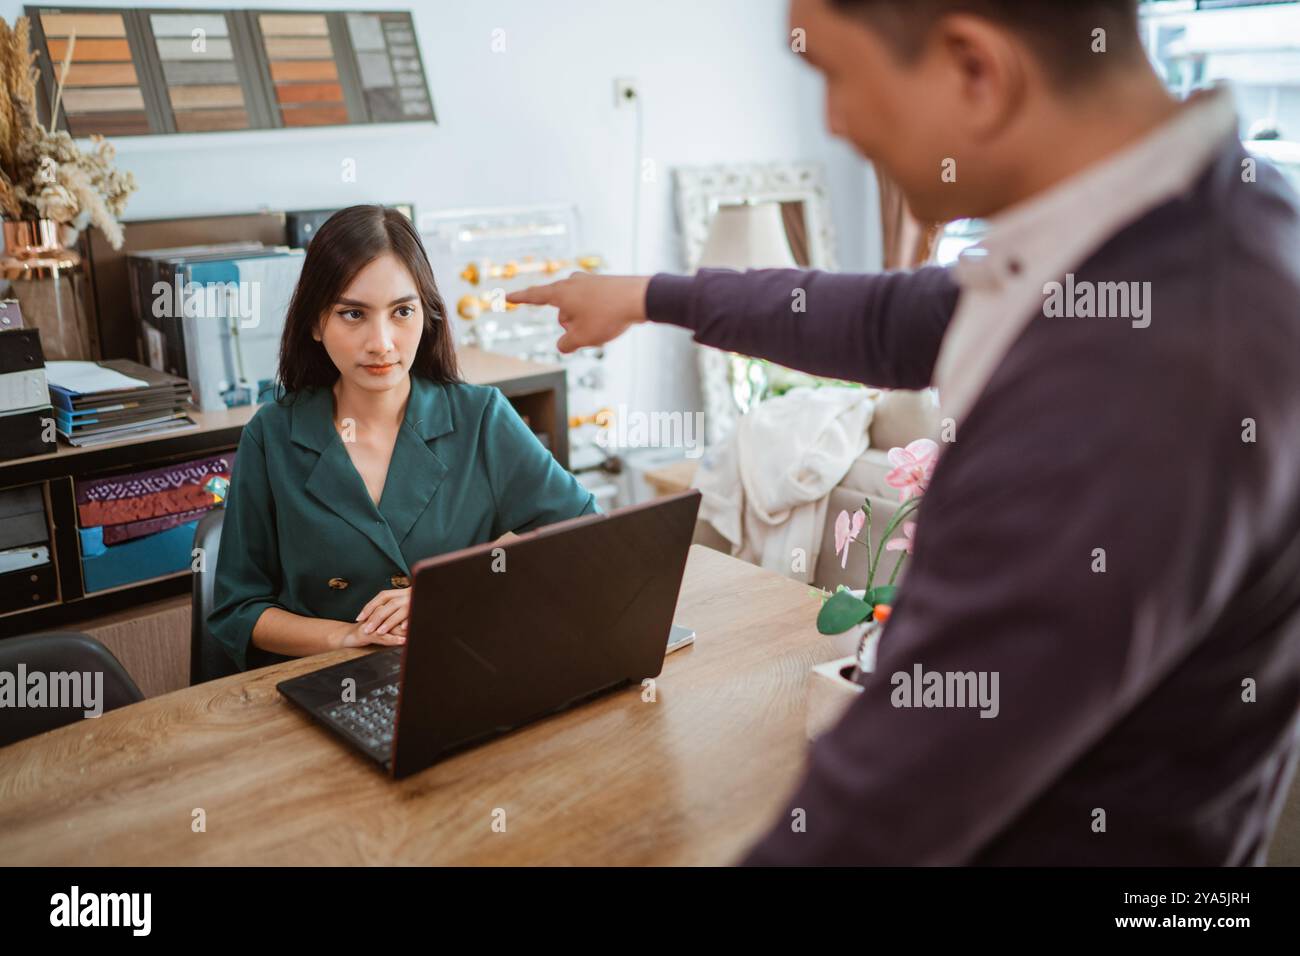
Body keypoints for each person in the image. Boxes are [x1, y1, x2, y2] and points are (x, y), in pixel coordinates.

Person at [507, 0, 1300, 864]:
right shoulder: (1179, 222)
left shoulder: (1139, 369)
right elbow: (892, 318)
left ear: (975, 70)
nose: (836, 123)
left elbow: (886, 810)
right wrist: (649, 296)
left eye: (835, 76)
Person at [208, 205, 597, 671]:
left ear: (426, 315)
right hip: (324, 685)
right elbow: (240, 610)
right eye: (353, 314)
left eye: (402, 312)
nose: (382, 342)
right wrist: (347, 637)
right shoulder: (271, 437)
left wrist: (445, 591)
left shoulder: (481, 417)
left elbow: (583, 532)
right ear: (315, 323)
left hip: (460, 671)